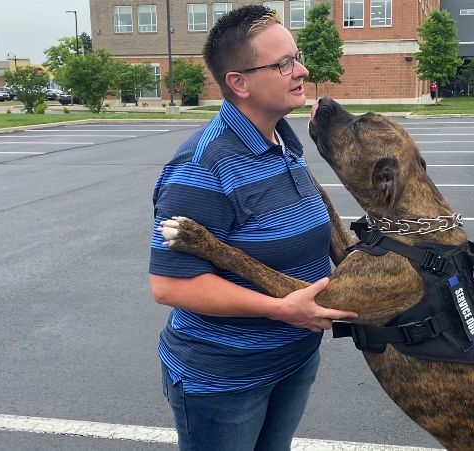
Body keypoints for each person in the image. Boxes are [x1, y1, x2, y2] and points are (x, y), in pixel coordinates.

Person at [149, 5, 358, 451]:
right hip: (225, 378)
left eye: (296, 56)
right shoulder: (202, 166)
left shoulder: (284, 139)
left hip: (294, 358)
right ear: (238, 83)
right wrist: (279, 309)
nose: (301, 70)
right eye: (282, 63)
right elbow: (169, 286)